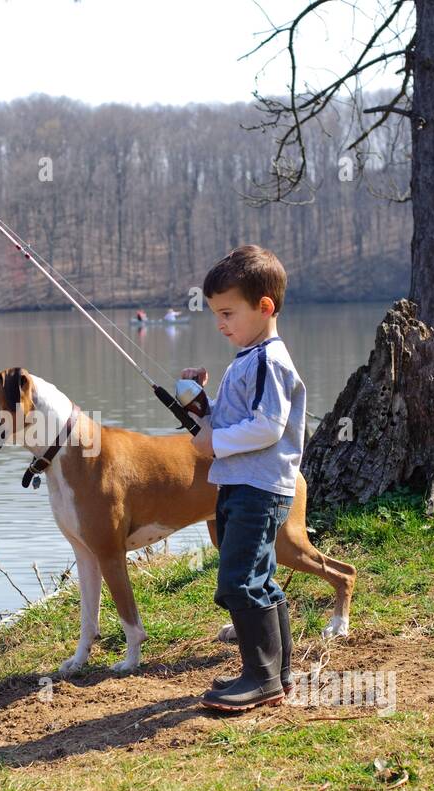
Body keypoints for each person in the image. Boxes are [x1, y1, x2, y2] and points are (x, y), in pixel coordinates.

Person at [183, 245, 307, 711]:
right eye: (217, 314)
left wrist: (215, 443)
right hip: (243, 483)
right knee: (262, 579)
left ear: (265, 307)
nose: (221, 323)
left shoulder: (268, 361)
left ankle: (260, 678)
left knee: (238, 581)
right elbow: (235, 420)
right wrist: (198, 407)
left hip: (259, 487)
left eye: (229, 312)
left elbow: (268, 426)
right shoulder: (248, 357)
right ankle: (278, 675)